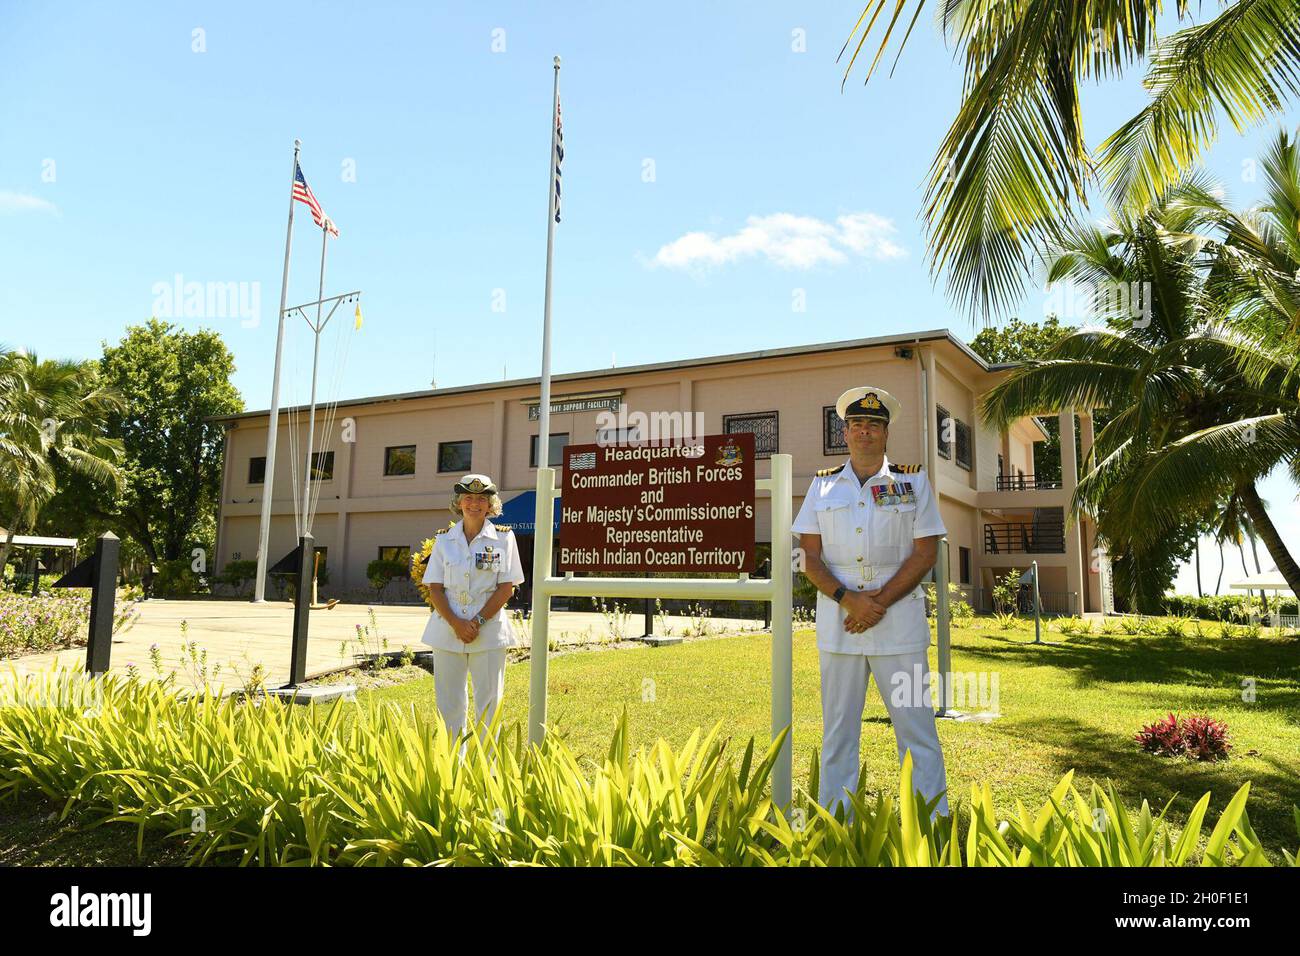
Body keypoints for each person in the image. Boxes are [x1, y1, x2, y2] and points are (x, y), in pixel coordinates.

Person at [791, 386, 950, 818]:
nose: (865, 431)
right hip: (840, 624)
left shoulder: (912, 481)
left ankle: (931, 821)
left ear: (885, 433)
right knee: (838, 731)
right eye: (857, 424)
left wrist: (874, 604)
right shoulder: (822, 487)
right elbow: (806, 556)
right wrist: (849, 600)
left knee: (916, 729)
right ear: (844, 432)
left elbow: (925, 553)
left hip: (898, 624)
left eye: (874, 425)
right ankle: (836, 820)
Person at [420, 473, 525, 741]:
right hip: (447, 631)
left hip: (488, 632)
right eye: (468, 497)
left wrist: (476, 622)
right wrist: (457, 623)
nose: (474, 504)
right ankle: (453, 767)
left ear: (491, 504)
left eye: (481, 498)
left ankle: (486, 769)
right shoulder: (444, 540)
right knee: (449, 705)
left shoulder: (503, 538)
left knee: (489, 704)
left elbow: (506, 588)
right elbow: (435, 588)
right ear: (459, 502)